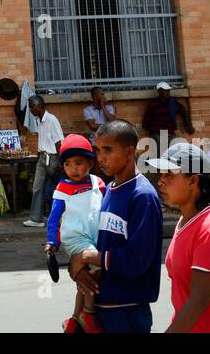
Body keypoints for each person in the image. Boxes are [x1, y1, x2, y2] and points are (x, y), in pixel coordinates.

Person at [70, 119, 163, 333]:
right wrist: (80, 270)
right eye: (98, 150)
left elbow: (136, 260)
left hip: (127, 310)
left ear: (130, 151)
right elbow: (101, 245)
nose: (100, 158)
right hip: (101, 306)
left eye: (108, 150)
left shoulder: (143, 197)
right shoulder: (109, 189)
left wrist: (87, 257)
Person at [150, 141, 210, 333]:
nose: (161, 181)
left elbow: (198, 300)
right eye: (161, 174)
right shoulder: (185, 220)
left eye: (169, 174)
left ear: (193, 181)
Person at [45, 134, 107, 333]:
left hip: (95, 236)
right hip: (76, 238)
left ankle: (74, 318)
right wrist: (52, 241)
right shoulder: (62, 189)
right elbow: (54, 219)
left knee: (86, 275)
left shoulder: (98, 183)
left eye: (78, 163)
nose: (73, 168)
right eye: (68, 164)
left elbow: (107, 206)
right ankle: (88, 314)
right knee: (95, 269)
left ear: (90, 163)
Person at [23, 93, 64, 228]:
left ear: (39, 106)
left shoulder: (51, 120)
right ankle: (36, 219)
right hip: (42, 157)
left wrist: (61, 161)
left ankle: (61, 217)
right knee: (37, 187)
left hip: (53, 158)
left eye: (32, 107)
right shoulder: (39, 120)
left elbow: (59, 142)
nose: (31, 110)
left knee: (55, 189)